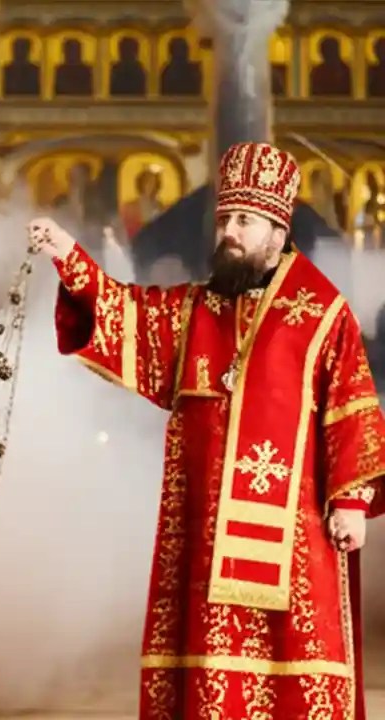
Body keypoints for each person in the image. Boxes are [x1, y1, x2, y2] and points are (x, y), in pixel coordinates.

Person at [29, 141, 385, 718]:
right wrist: (70, 255)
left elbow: (353, 406)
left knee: (291, 669)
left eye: (244, 220)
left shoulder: (321, 315)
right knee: (208, 674)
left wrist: (351, 497)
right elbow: (125, 313)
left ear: (277, 228)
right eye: (226, 218)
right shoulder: (196, 309)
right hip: (204, 531)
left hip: (297, 538)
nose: (230, 232)